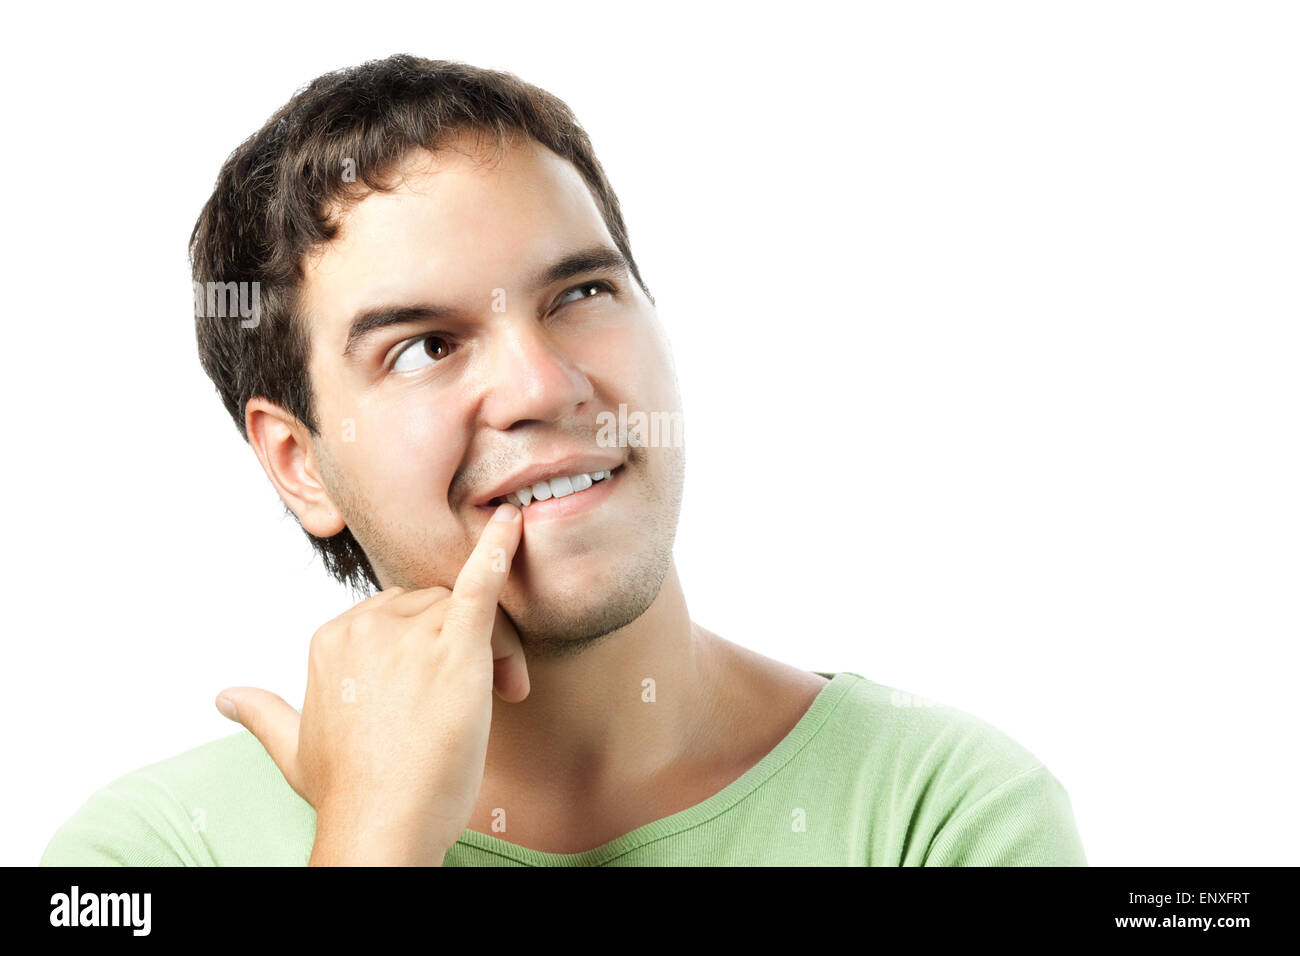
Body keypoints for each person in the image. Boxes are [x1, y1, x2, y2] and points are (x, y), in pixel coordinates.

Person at [41, 54, 1086, 866]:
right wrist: (373, 839)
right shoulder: (153, 849)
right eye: (424, 347)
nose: (543, 386)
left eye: (581, 293)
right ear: (298, 461)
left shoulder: (938, 811)